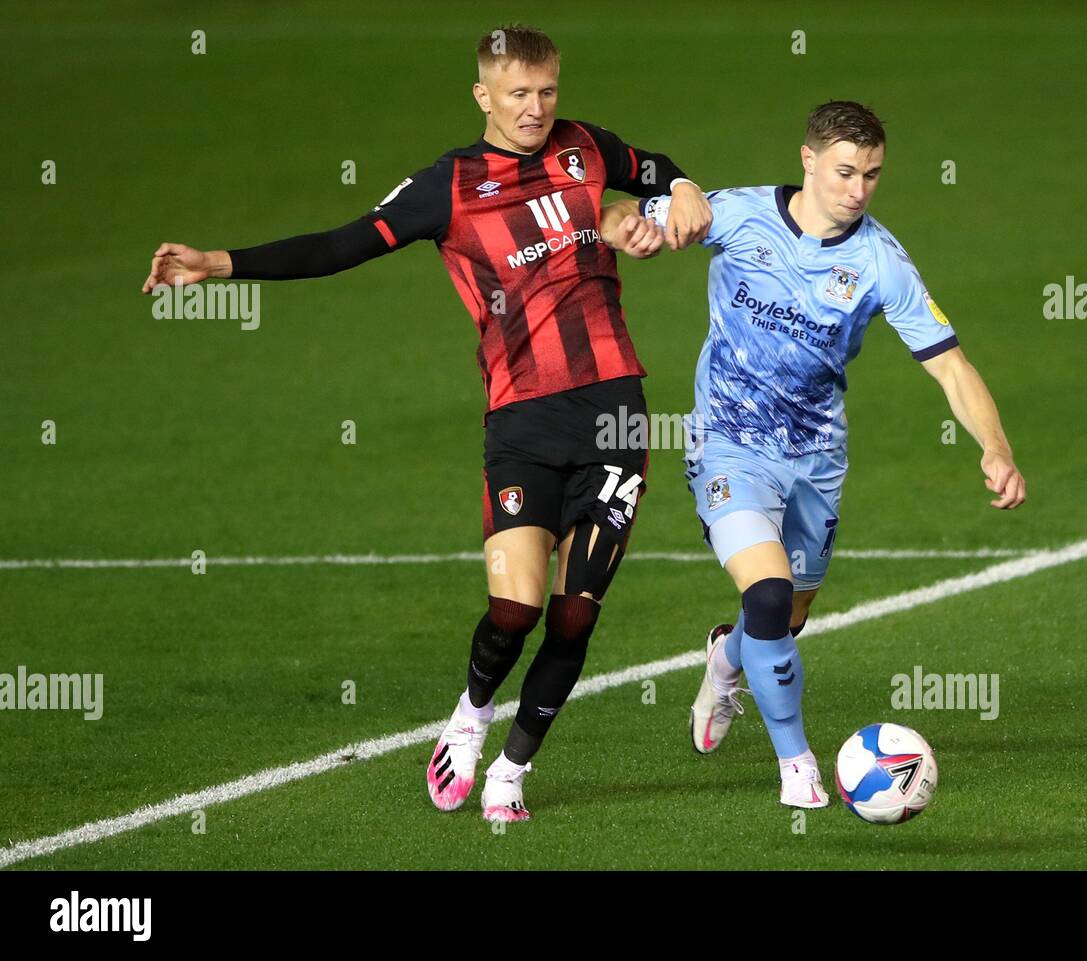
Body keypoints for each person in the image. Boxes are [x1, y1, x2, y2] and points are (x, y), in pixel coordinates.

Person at [142, 24, 708, 822]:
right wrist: (218, 263)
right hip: (521, 416)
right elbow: (340, 245)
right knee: (514, 610)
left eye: (546, 91)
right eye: (518, 94)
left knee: (575, 610)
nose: (535, 108)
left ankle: (513, 771)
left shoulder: (585, 147)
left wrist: (678, 191)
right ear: (484, 95)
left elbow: (653, 172)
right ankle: (472, 715)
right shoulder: (447, 186)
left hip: (615, 407)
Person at [603, 100, 1025, 807]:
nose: (858, 189)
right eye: (844, 171)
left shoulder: (881, 263)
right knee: (765, 594)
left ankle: (726, 656)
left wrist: (997, 446)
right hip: (728, 444)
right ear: (808, 160)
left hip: (817, 458)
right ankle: (796, 764)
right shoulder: (735, 215)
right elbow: (613, 208)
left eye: (872, 174)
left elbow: (950, 364)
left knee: (786, 618)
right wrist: (628, 226)